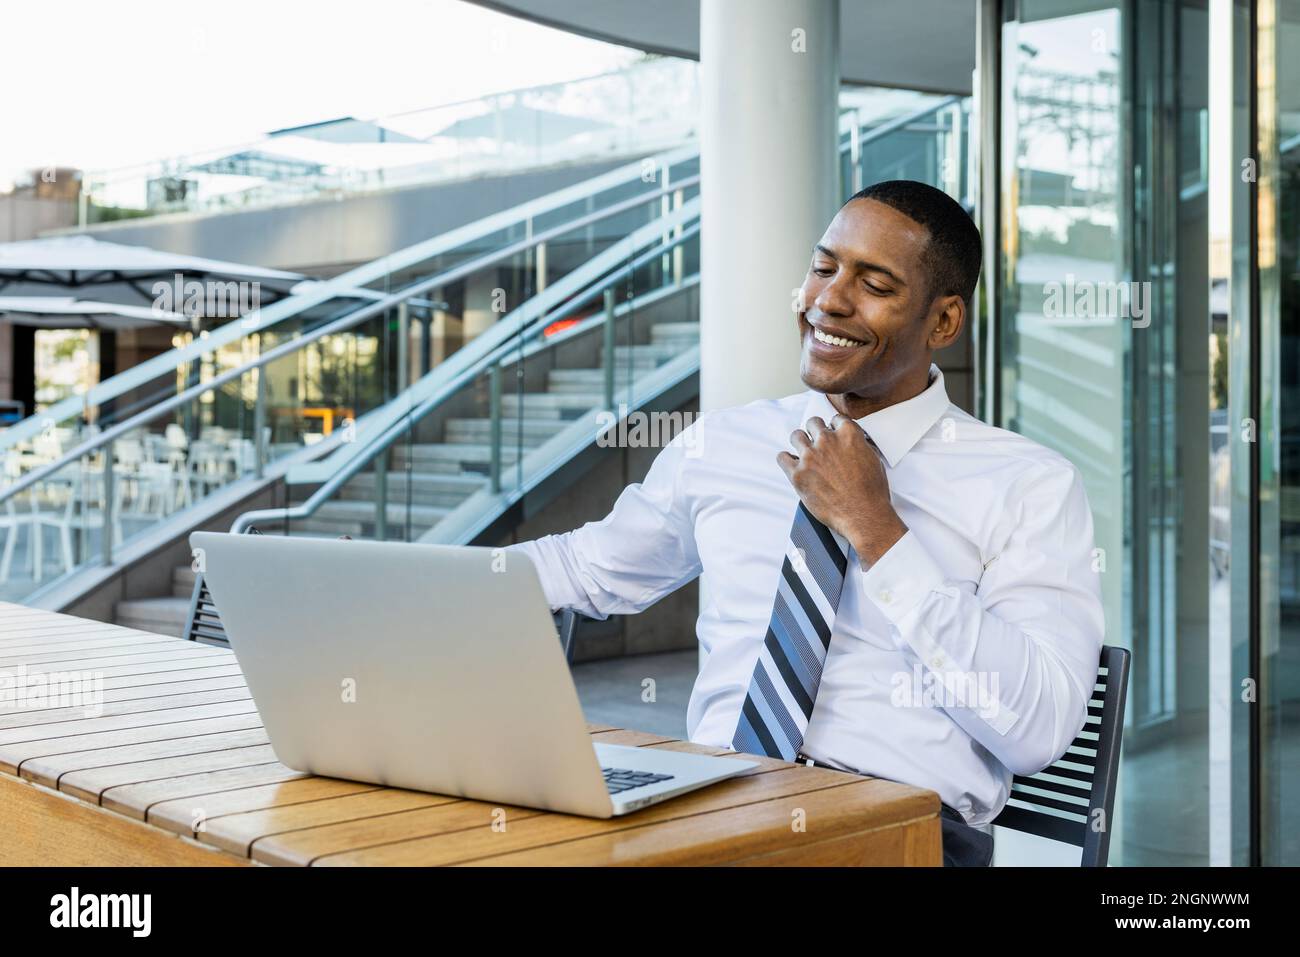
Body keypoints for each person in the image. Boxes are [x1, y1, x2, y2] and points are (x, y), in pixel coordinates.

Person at [507, 180, 1105, 866]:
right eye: (823, 268)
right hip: (715, 806)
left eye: (874, 283)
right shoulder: (724, 443)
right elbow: (588, 568)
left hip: (902, 831)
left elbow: (1037, 728)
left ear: (943, 323)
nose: (828, 299)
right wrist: (413, 583)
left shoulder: (1029, 484)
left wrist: (878, 529)